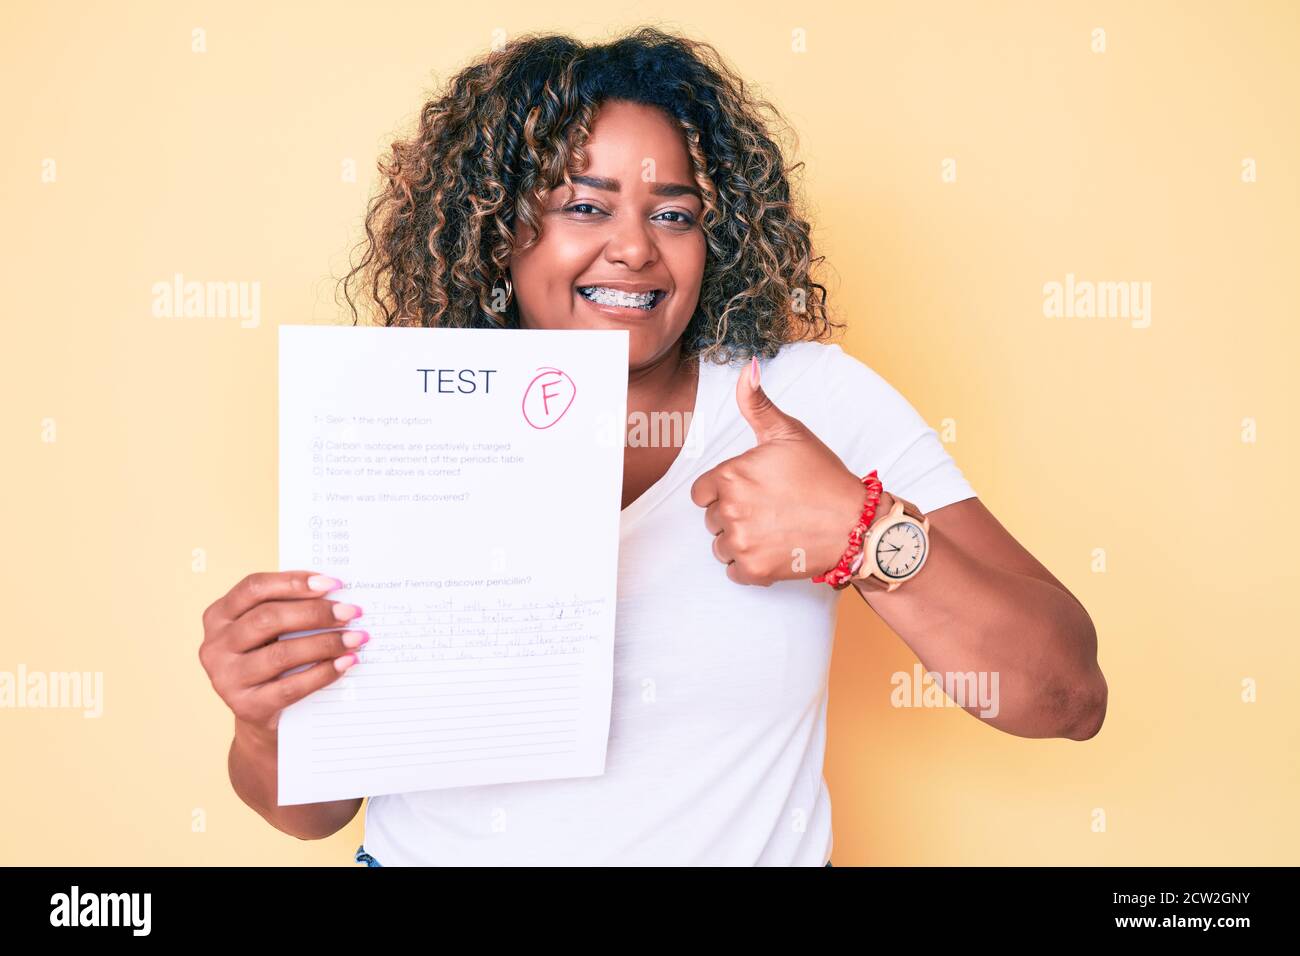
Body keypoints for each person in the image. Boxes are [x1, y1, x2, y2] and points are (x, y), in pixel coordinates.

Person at [199, 27, 1107, 866]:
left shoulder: (808, 399)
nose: (634, 248)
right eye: (584, 207)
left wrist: (866, 536)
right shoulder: (400, 414)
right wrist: (263, 725)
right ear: (498, 231)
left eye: (673, 214)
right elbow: (311, 812)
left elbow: (1067, 699)